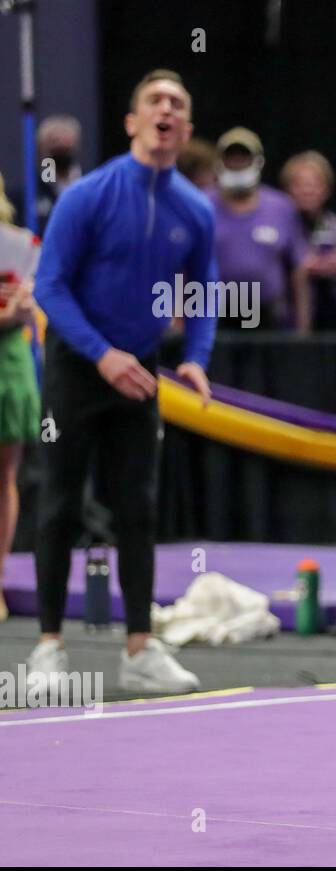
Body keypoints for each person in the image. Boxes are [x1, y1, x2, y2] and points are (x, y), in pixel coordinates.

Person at [30, 69, 215, 694]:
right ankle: (49, 647)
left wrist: (196, 355)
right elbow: (48, 287)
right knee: (59, 504)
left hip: (138, 373)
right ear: (133, 122)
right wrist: (101, 354)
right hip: (77, 367)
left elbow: (205, 290)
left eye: (177, 104)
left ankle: (139, 646)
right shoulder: (89, 195)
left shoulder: (194, 207)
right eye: (154, 101)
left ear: (185, 129)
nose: (166, 109)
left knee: (137, 506)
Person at [208, 127, 311, 332]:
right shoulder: (201, 204)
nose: (237, 164)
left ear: (258, 162)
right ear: (219, 163)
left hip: (269, 321)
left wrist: (303, 328)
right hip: (215, 319)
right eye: (231, 159)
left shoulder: (281, 207)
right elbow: (182, 268)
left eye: (243, 158)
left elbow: (298, 270)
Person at [0, 175, 41, 622]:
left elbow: (32, 303)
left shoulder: (20, 244)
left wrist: (22, 312)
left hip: (8, 364)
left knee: (3, 475)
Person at [281, 150, 336, 334]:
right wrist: (300, 269)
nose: (307, 190)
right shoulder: (279, 228)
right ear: (287, 189)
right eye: (299, 184)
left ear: (327, 189)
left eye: (314, 184)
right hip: (288, 331)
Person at [35, 115, 83, 235]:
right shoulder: (33, 193)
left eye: (66, 142)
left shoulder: (90, 187)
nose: (61, 146)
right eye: (54, 142)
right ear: (42, 148)